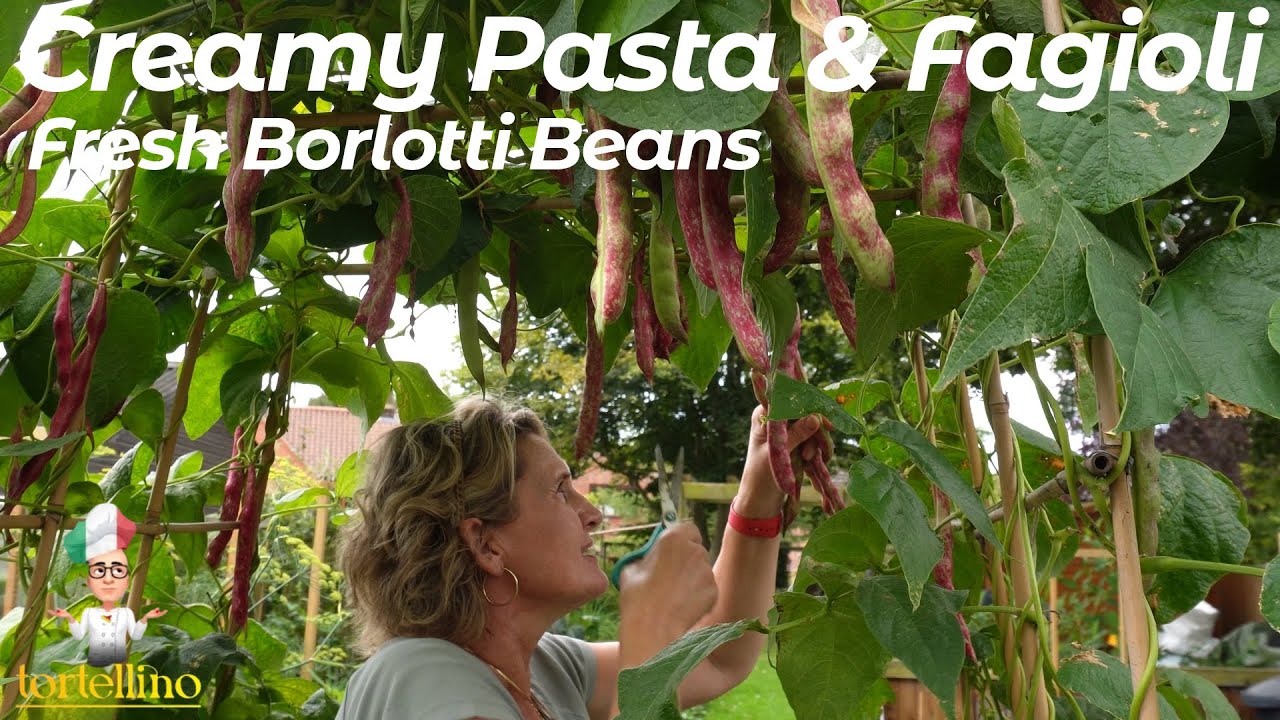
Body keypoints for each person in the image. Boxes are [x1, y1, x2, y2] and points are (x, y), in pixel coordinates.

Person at [336, 397, 824, 720]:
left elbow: (717, 657)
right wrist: (648, 626)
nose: (590, 513)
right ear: (485, 544)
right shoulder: (418, 675)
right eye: (560, 490)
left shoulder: (548, 669)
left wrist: (759, 495)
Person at [47, 503, 166, 668]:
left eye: (118, 571)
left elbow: (136, 635)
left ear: (127, 580)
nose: (108, 580)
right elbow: (79, 634)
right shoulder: (90, 613)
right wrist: (69, 618)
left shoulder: (125, 614)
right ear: (89, 581)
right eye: (99, 571)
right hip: (95, 664)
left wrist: (146, 618)